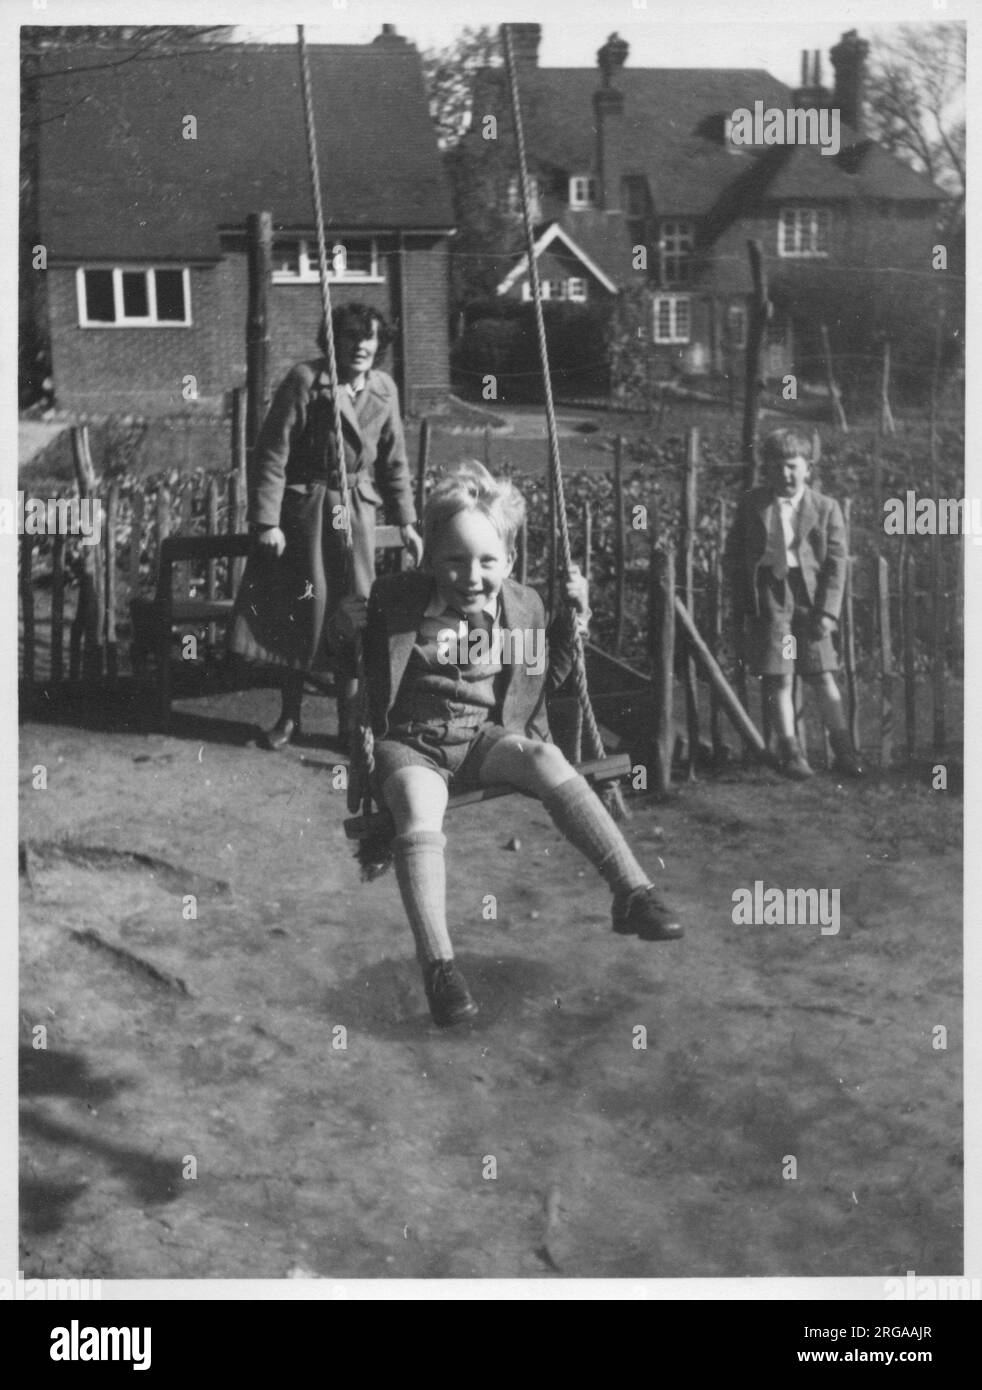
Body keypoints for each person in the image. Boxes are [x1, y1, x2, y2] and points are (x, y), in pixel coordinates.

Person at [336, 461, 683, 1028]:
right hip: (411, 746)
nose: (471, 576)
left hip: (482, 740)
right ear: (429, 559)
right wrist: (344, 630)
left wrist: (576, 619)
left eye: (487, 562)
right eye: (454, 560)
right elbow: (349, 670)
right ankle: (440, 967)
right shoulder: (394, 600)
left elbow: (544, 680)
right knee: (421, 809)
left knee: (546, 757)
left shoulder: (522, 607)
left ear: (510, 562)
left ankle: (632, 892)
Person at [230, 303, 423, 750]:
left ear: (380, 345)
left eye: (369, 339)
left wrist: (408, 523)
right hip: (308, 512)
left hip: (356, 513)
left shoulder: (384, 390)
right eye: (351, 337)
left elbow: (395, 463)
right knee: (304, 614)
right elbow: (272, 453)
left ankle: (349, 723)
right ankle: (289, 717)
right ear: (333, 341)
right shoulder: (305, 381)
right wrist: (266, 522)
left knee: (355, 613)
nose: (360, 347)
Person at [726, 428, 863, 780]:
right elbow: (734, 553)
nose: (784, 475)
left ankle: (845, 753)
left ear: (807, 468)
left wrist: (828, 612)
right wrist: (743, 599)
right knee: (780, 677)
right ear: (766, 470)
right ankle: (792, 753)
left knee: (820, 674)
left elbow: (836, 564)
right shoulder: (752, 504)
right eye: (775, 468)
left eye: (791, 466)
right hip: (772, 601)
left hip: (810, 601)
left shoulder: (825, 507)